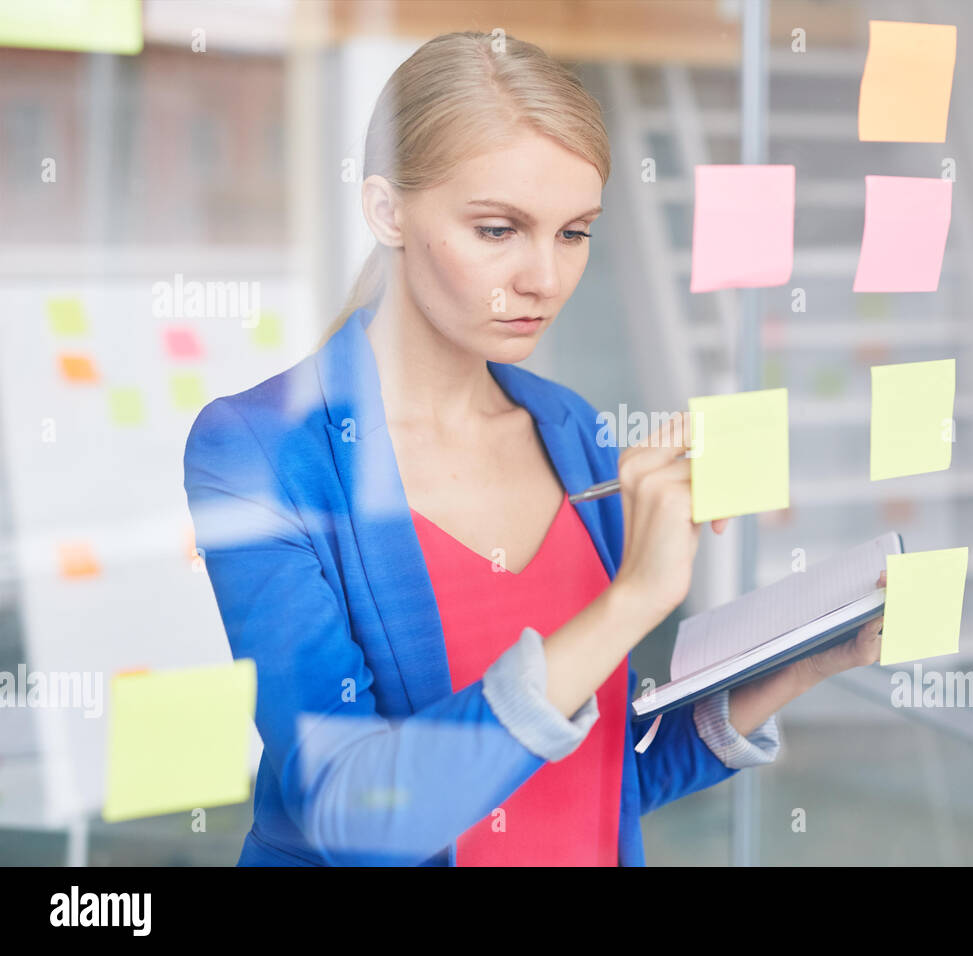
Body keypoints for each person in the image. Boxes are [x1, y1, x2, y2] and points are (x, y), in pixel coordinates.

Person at [182, 30, 884, 867]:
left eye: (574, 233)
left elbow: (590, 776)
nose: (544, 279)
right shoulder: (259, 452)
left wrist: (801, 661)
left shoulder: (574, 433)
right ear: (387, 211)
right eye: (497, 229)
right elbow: (352, 812)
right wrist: (632, 600)